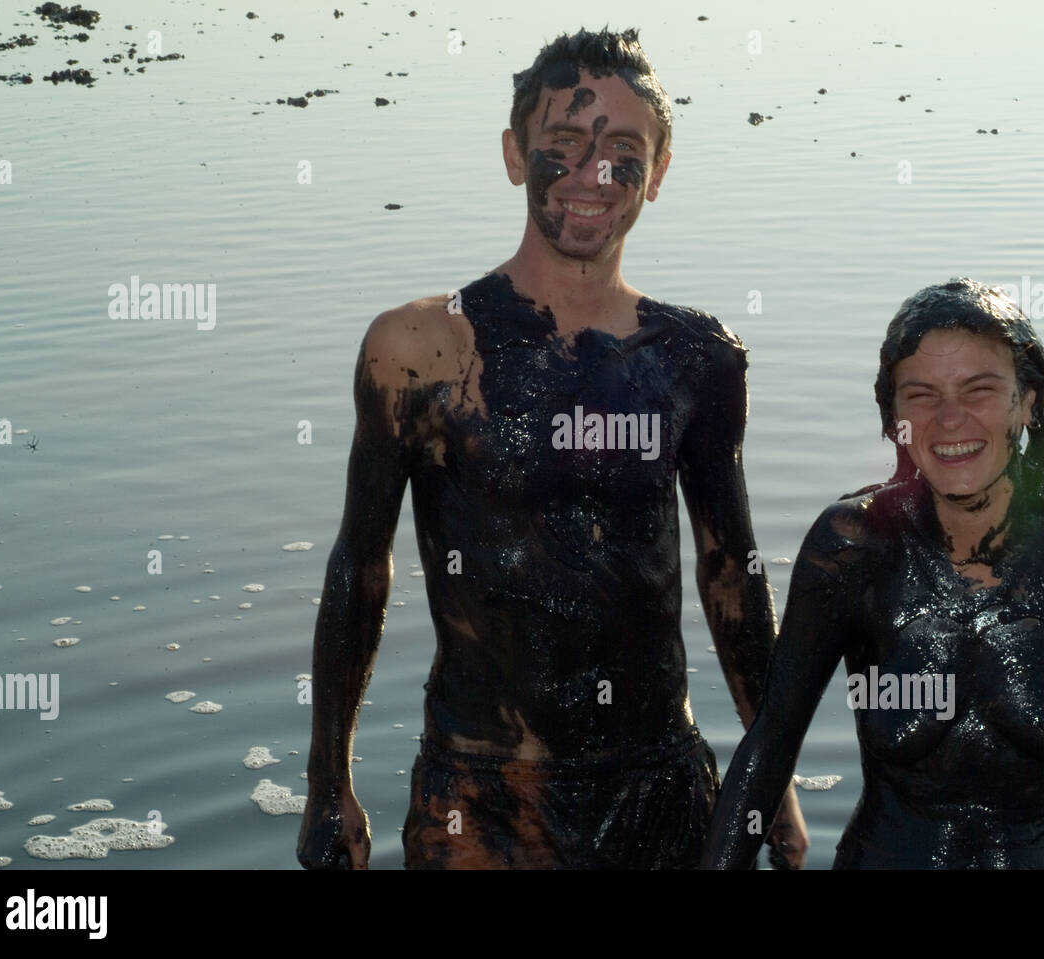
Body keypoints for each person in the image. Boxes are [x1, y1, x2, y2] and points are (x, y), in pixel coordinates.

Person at [296, 26, 805, 870]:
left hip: (657, 783)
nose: (592, 176)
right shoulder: (421, 350)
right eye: (563, 143)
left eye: (623, 152)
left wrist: (772, 777)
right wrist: (326, 785)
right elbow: (361, 566)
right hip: (480, 790)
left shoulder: (695, 357)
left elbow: (732, 572)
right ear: (513, 153)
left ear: (659, 171)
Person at [701, 278, 1044, 869]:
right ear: (894, 417)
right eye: (922, 395)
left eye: (979, 390)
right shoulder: (854, 549)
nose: (950, 420)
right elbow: (772, 740)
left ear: (1028, 401)